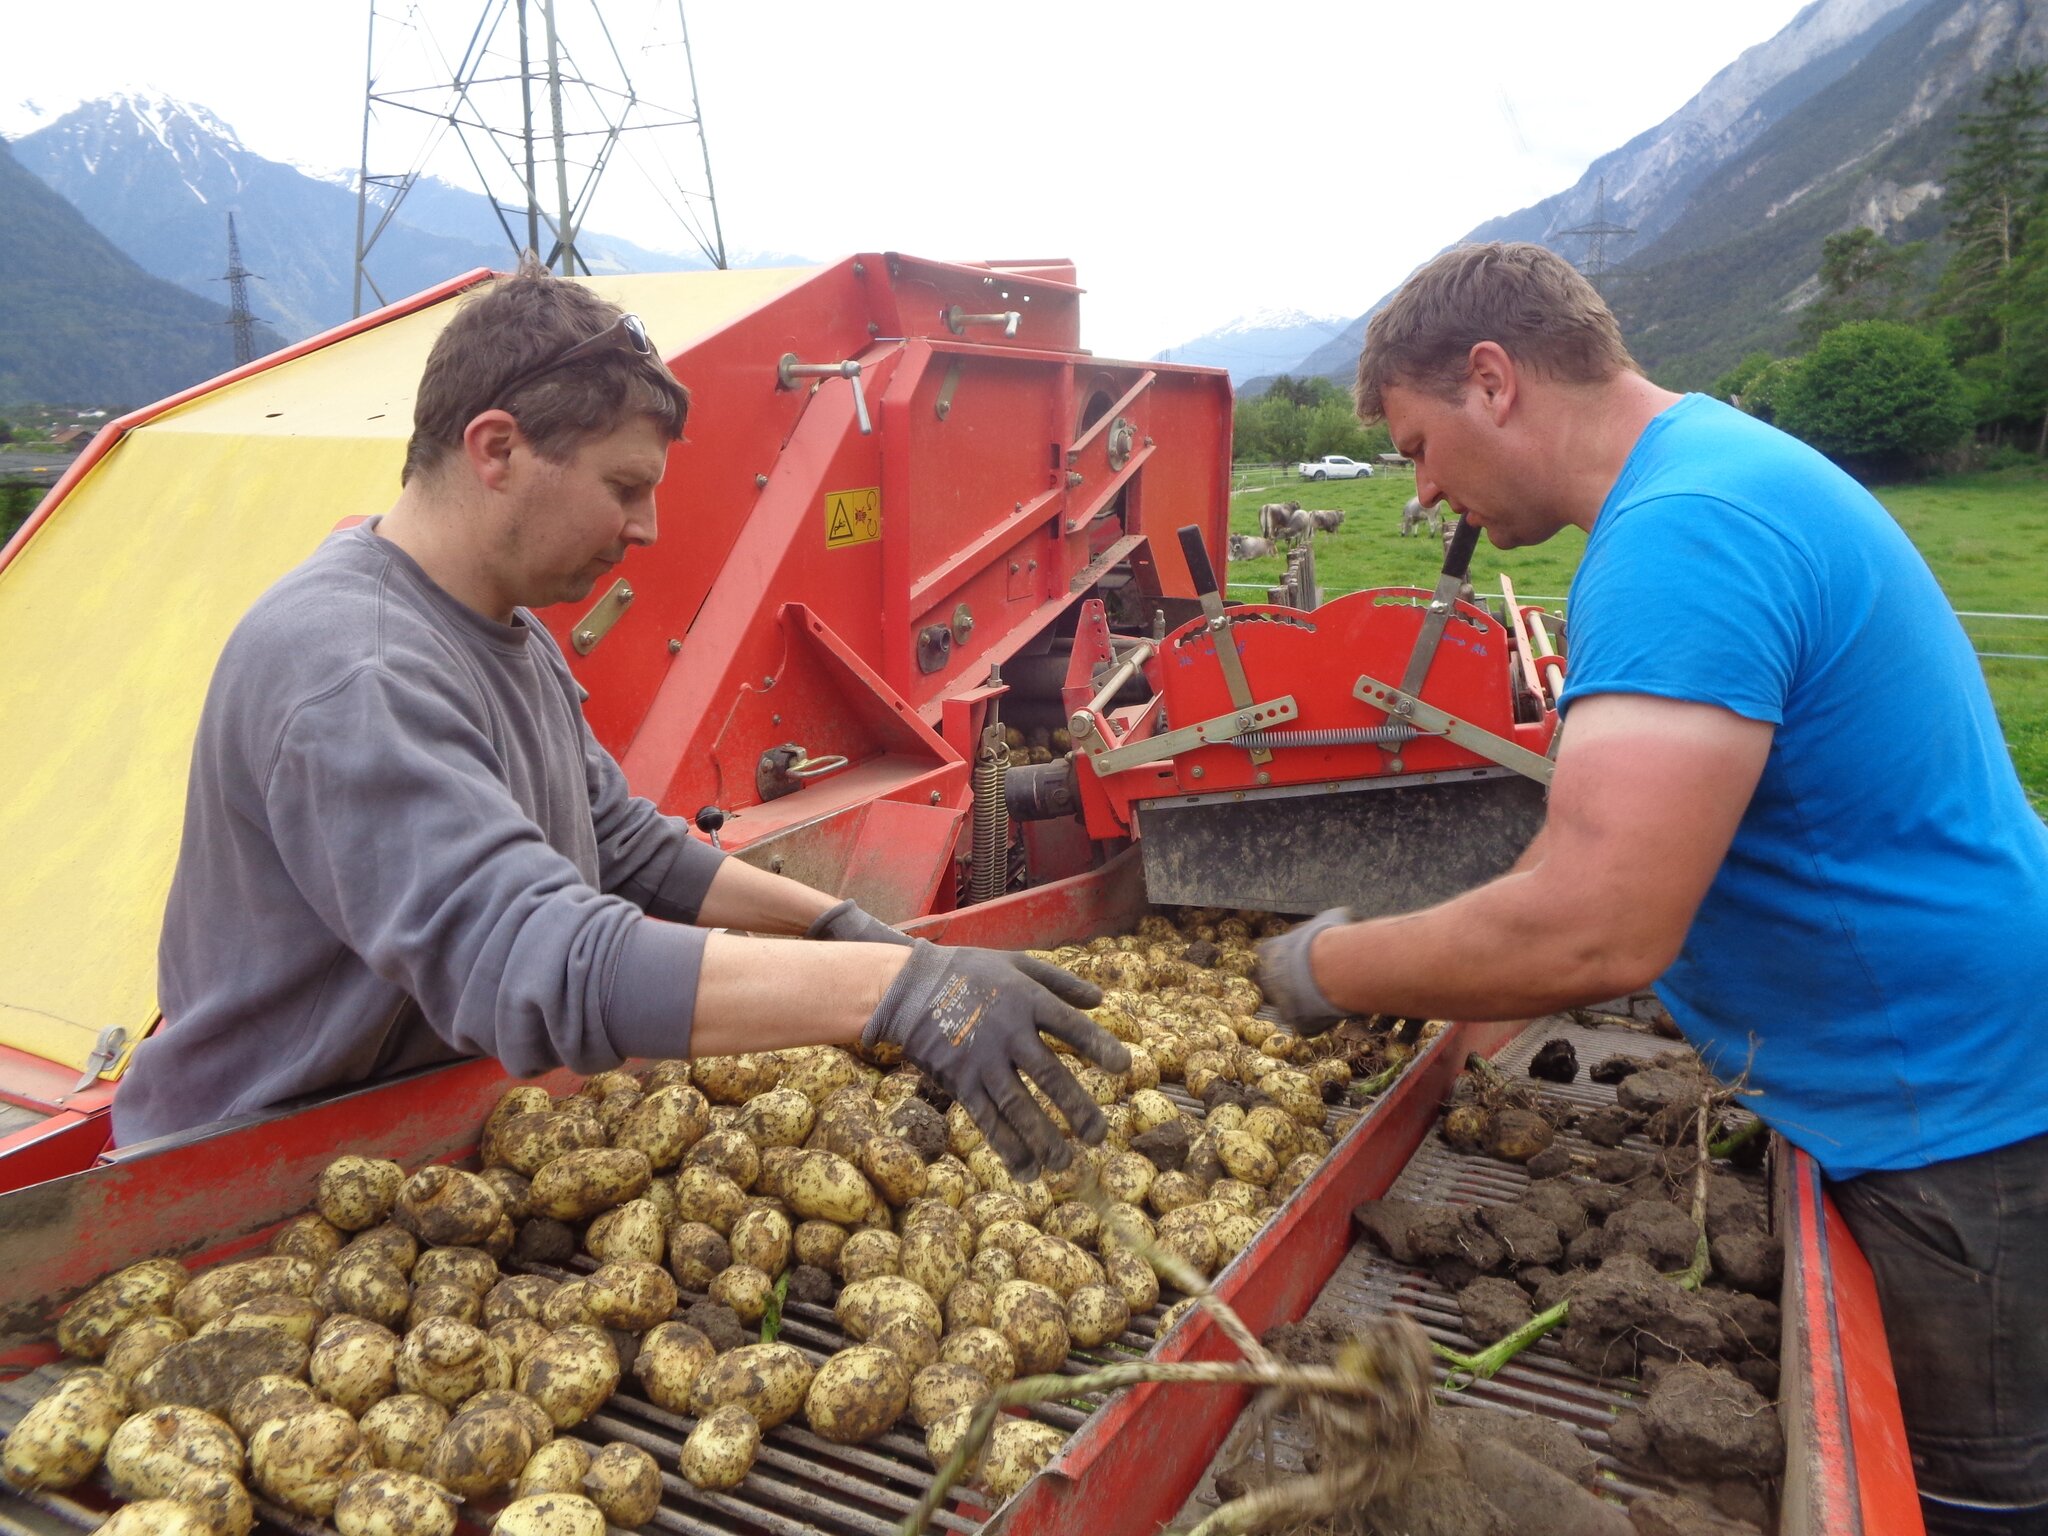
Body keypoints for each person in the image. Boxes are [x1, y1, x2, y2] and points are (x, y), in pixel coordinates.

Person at [1254, 242, 2048, 1535]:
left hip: (1946, 1109)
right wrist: (1468, 1023)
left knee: (1973, 1497)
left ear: (1493, 381)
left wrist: (1313, 971)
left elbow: (1600, 921)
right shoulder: (1712, 476)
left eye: (1414, 443)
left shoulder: (1686, 535)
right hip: (1936, 1057)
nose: (1421, 488)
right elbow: (1578, 859)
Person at [114, 257, 1126, 1179]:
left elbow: (622, 846)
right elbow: (533, 961)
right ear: (497, 448)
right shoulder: (351, 666)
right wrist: (894, 998)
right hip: (243, 1176)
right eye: (624, 488)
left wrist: (838, 928)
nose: (644, 529)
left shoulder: (505, 629)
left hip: (400, 1143)